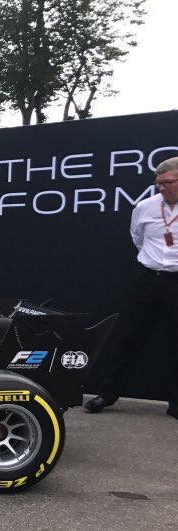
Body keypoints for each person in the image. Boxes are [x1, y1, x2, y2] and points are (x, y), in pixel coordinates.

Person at [86, 157, 178, 419]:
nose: (162, 188)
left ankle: (176, 403)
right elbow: (137, 238)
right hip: (147, 280)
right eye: (158, 183)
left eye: (168, 182)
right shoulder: (145, 207)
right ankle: (108, 394)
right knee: (128, 339)